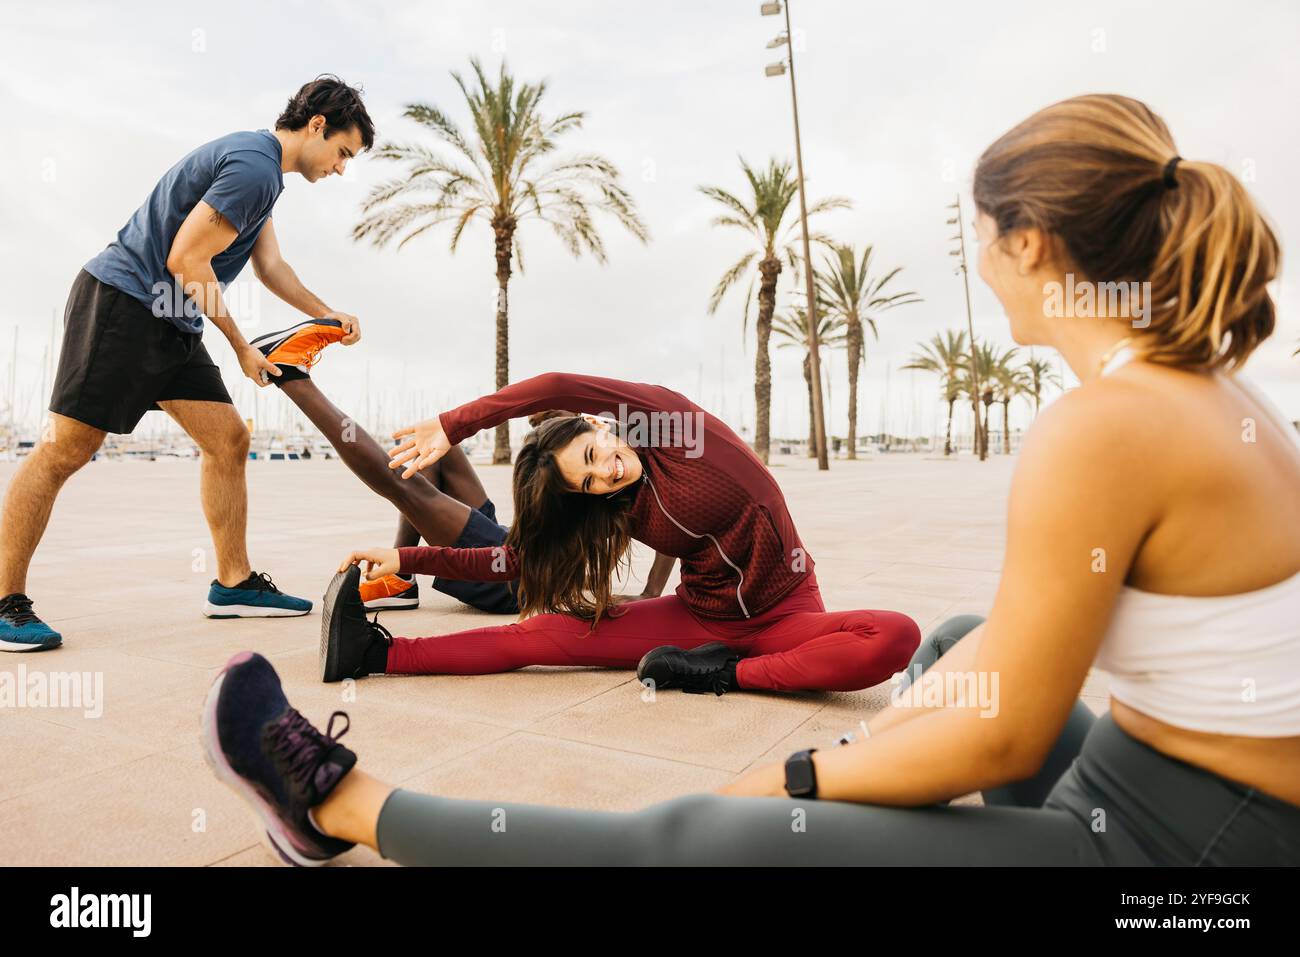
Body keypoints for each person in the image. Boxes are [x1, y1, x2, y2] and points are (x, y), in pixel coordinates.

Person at [203, 94, 1300, 865]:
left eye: (978, 229)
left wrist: (799, 778)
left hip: (1182, 851)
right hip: (1149, 780)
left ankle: (336, 807)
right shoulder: (1193, 392)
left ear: (1031, 243)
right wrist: (421, 553)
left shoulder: (1107, 425)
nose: (973, 253)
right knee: (961, 642)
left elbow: (1005, 738)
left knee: (715, 837)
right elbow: (520, 566)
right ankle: (386, 661)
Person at [0, 75, 376, 651]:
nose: (341, 168)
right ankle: (5, 602)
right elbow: (185, 259)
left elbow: (270, 268)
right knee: (64, 451)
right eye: (343, 153)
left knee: (227, 439)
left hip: (172, 318)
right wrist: (241, 345)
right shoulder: (253, 166)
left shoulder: (265, 177)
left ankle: (234, 584)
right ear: (317, 126)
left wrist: (327, 314)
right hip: (124, 305)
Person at [319, 371, 921, 694]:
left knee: (894, 635)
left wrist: (457, 423)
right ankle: (377, 654)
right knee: (539, 637)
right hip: (700, 619)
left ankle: (722, 675)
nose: (605, 476)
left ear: (595, 426)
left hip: (786, 613)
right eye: (588, 484)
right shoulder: (616, 503)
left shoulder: (674, 427)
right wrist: (406, 560)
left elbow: (556, 387)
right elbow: (513, 563)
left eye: (594, 454)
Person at [253, 346, 678, 614]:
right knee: (441, 452)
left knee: (403, 485)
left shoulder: (630, 470)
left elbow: (680, 522)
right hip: (508, 540)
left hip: (513, 580)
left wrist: (652, 592)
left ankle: (292, 377)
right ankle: (400, 584)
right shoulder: (595, 459)